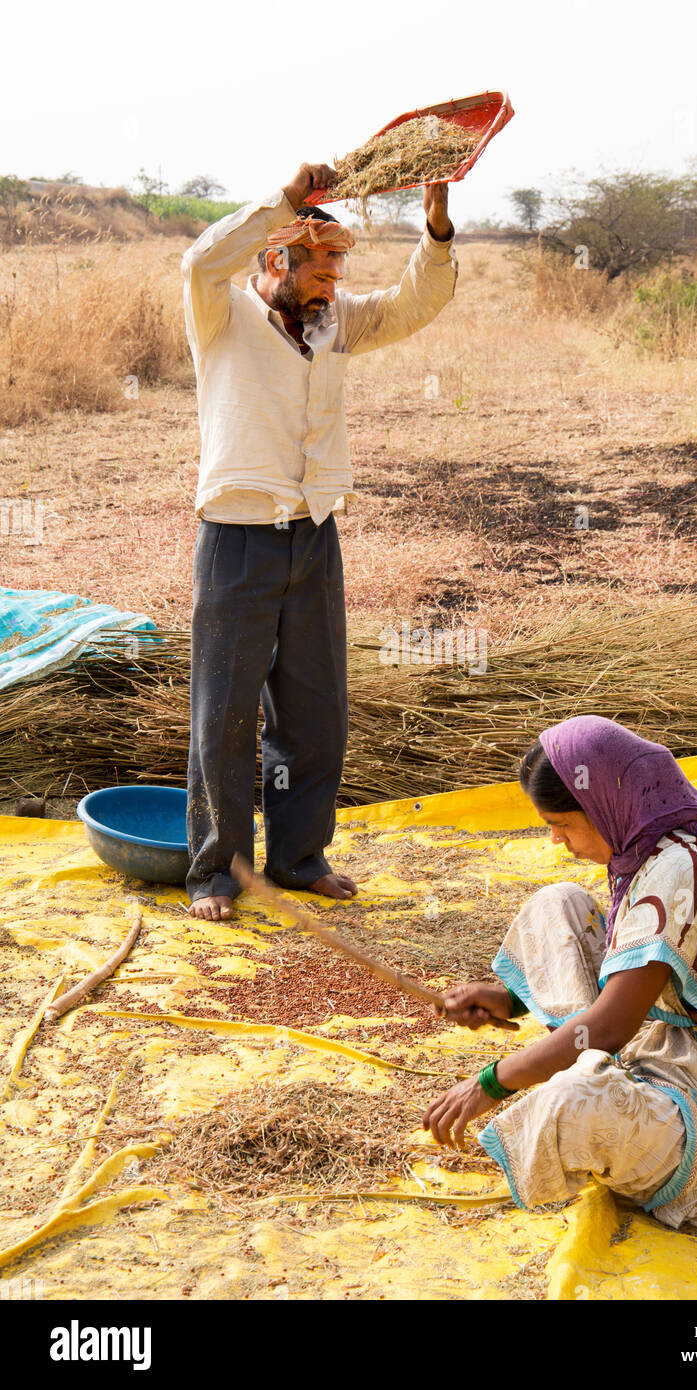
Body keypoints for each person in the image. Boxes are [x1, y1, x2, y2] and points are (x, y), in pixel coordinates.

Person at [181, 163, 457, 921]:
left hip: (313, 537)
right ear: (277, 260)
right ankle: (216, 874)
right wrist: (286, 200)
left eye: (341, 262)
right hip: (237, 540)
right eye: (323, 260)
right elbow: (200, 258)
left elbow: (414, 303)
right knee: (226, 716)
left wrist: (434, 229)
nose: (335, 276)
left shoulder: (335, 324)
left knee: (315, 714)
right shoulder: (223, 315)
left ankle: (300, 859)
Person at [423, 715, 697, 1233]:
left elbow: (606, 1029)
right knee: (559, 904)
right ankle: (588, 1066)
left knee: (573, 1102)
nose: (555, 838)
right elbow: (630, 975)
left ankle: (607, 1091)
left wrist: (491, 1083)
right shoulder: (649, 849)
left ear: (603, 802)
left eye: (561, 822)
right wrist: (511, 999)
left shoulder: (679, 871)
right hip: (669, 1044)